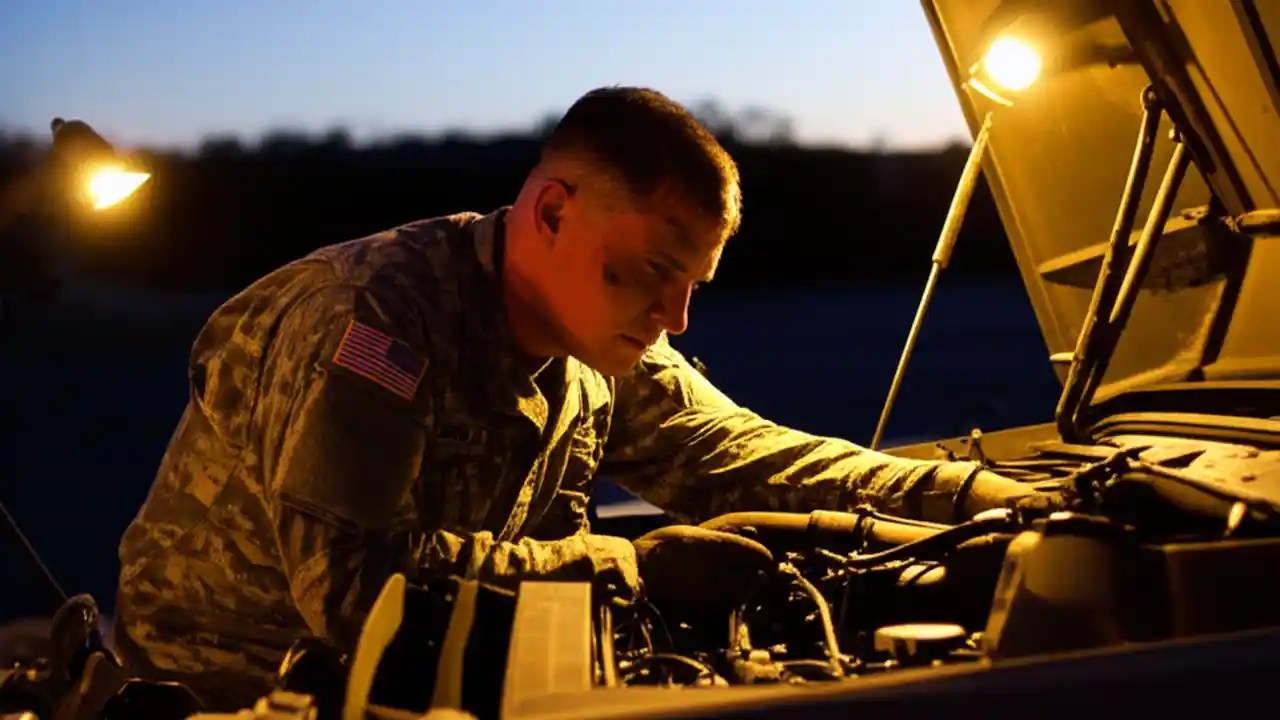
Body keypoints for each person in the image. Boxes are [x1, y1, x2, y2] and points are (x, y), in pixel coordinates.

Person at [113, 86, 1057, 709]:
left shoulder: (594, 337)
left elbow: (742, 455)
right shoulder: (372, 325)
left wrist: (978, 498)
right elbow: (360, 588)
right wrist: (626, 565)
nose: (675, 317)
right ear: (553, 213)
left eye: (693, 284)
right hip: (233, 697)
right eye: (652, 271)